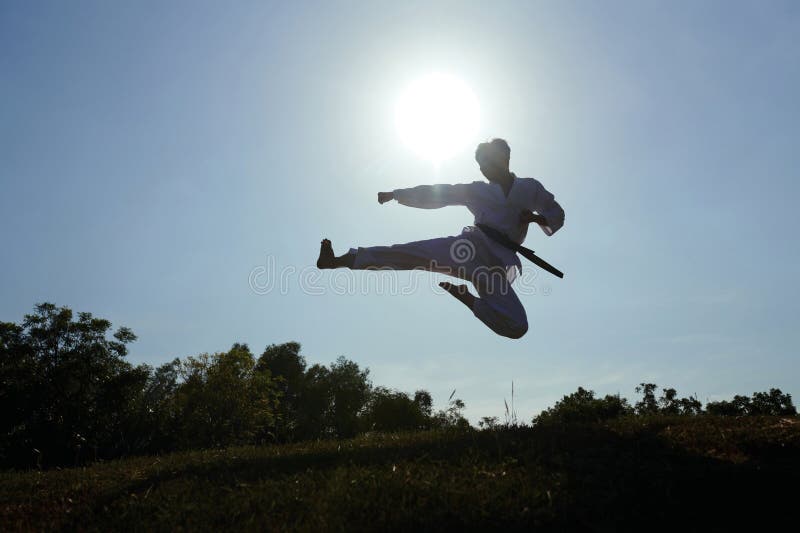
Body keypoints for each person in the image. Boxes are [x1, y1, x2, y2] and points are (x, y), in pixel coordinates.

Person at [316, 138, 565, 339]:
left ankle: (467, 298)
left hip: (495, 267)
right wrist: (397, 194)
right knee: (412, 254)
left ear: (505, 158)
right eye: (480, 163)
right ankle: (339, 260)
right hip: (468, 248)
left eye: (487, 160)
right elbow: (441, 193)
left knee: (518, 326)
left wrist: (537, 219)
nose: (483, 167)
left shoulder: (530, 188)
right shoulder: (478, 190)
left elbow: (556, 213)